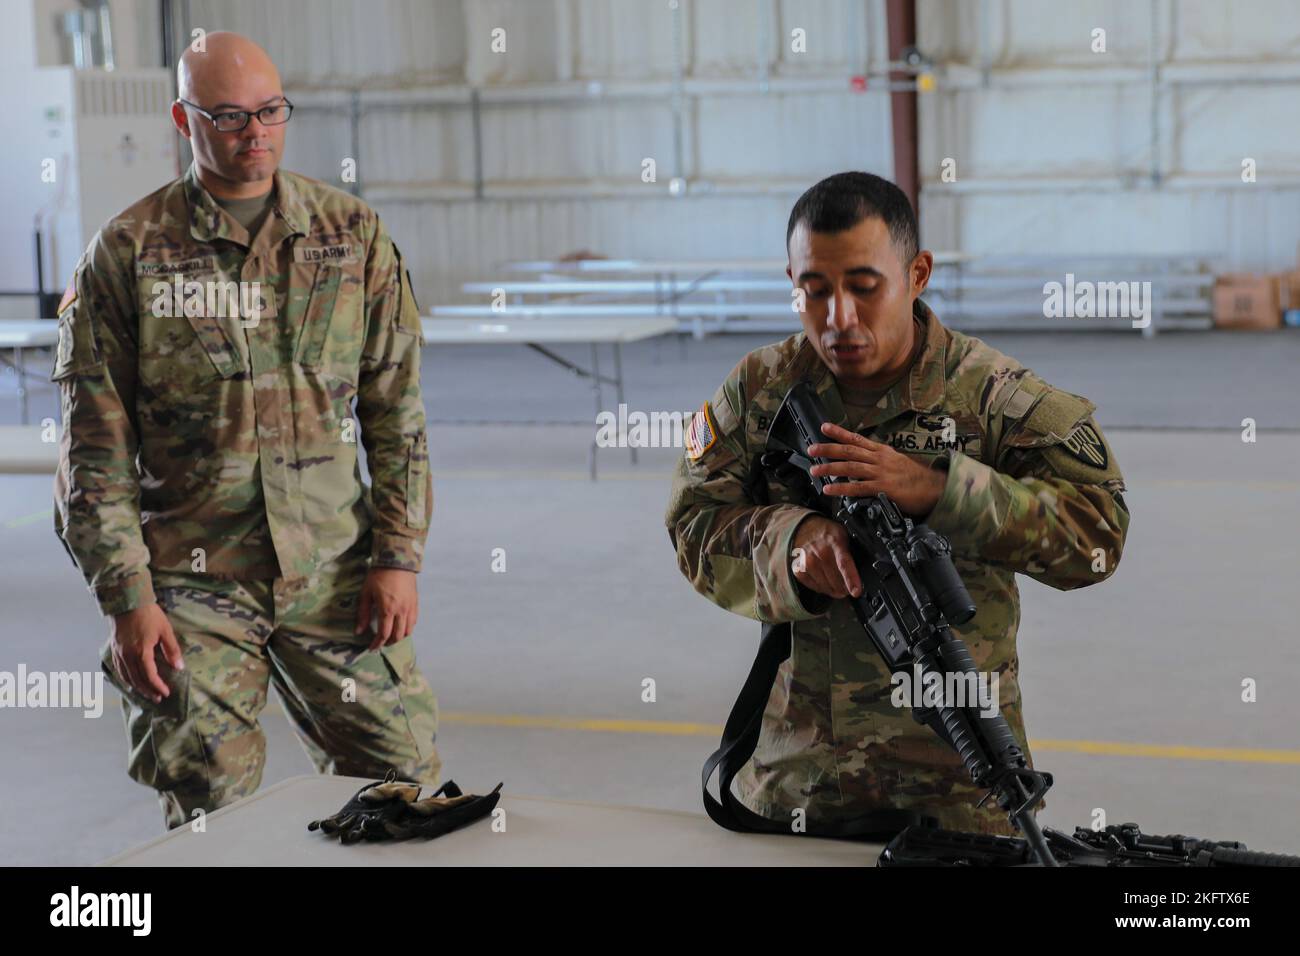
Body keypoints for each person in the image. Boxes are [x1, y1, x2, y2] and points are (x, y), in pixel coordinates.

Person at [50, 32, 439, 829]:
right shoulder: (128, 254)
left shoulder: (349, 235)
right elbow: (94, 451)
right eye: (228, 116)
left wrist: (397, 557)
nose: (254, 133)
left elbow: (396, 412)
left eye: (270, 111)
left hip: (335, 569)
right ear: (182, 121)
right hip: (196, 583)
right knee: (211, 808)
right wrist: (128, 601)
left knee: (402, 785)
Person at [665, 171, 1130, 835]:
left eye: (863, 286)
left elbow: (1098, 537)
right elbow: (692, 523)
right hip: (801, 783)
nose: (839, 318)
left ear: (917, 274)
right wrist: (791, 542)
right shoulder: (761, 390)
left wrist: (943, 490)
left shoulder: (994, 399)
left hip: (963, 790)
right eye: (814, 290)